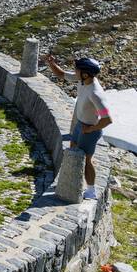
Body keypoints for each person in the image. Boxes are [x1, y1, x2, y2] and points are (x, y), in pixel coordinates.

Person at [45, 55, 113, 200]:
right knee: (73, 153)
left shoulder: (95, 94)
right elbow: (62, 74)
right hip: (80, 125)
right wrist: (52, 64)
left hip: (89, 130)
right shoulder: (82, 80)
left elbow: (107, 119)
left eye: (77, 69)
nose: (74, 71)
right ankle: (71, 183)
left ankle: (91, 190)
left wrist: (90, 129)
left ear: (85, 73)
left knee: (86, 160)